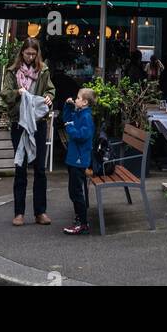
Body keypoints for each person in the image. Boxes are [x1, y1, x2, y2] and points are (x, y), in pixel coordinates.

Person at [0, 38, 55, 227]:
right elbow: (5, 94)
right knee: (20, 167)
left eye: (33, 54)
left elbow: (51, 90)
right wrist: (18, 92)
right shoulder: (12, 71)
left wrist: (49, 97)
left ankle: (40, 212)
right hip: (18, 123)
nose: (30, 57)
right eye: (27, 54)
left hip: (38, 123)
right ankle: (19, 213)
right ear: (21, 53)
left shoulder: (43, 70)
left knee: (40, 167)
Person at [62, 87, 95, 235]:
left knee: (76, 191)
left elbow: (83, 135)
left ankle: (83, 223)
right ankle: (79, 218)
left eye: (78, 98)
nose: (75, 99)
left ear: (85, 102)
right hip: (74, 158)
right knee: (73, 191)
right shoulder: (79, 112)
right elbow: (67, 119)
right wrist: (68, 106)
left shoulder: (86, 117)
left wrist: (70, 129)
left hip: (79, 159)